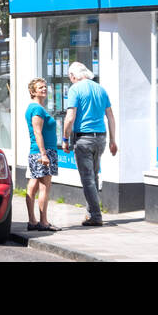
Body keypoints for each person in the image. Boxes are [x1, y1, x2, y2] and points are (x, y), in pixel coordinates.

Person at [61, 61, 117, 226]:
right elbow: (111, 117)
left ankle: (96, 215)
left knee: (87, 179)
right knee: (93, 175)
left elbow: (70, 117)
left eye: (70, 77)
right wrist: (113, 140)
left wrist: (65, 139)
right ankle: (90, 212)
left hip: (84, 139)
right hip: (101, 138)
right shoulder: (100, 89)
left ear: (73, 76)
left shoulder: (75, 90)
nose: (70, 80)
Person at [24, 78, 60, 231]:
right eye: (40, 87)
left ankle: (32, 221)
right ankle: (43, 222)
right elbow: (37, 132)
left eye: (45, 87)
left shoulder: (36, 108)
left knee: (33, 185)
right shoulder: (37, 109)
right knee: (44, 187)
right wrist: (44, 154)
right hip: (43, 152)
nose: (44, 89)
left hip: (37, 151)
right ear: (33, 92)